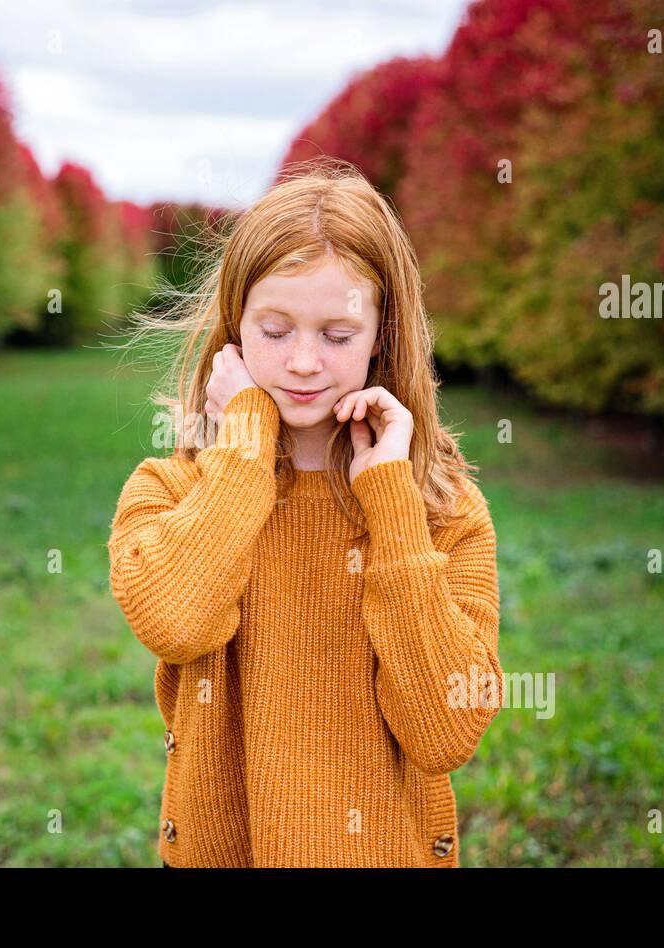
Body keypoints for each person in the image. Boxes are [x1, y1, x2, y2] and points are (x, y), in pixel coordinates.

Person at [107, 157, 503, 868]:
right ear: (235, 327)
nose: (302, 362)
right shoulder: (172, 488)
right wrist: (245, 445)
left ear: (382, 334)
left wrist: (390, 502)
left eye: (337, 335)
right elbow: (175, 619)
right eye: (276, 329)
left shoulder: (445, 512)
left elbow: (446, 730)